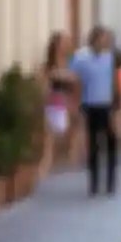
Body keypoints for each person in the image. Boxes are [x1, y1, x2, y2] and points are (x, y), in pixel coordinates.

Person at [68, 26, 119, 196]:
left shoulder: (109, 57)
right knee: (93, 144)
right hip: (90, 104)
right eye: (101, 39)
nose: (104, 42)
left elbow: (114, 81)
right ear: (94, 40)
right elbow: (74, 80)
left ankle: (111, 183)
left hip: (107, 105)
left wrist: (117, 105)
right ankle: (94, 183)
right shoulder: (81, 58)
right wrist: (75, 104)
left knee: (111, 143)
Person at [39, 31, 75, 174]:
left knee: (68, 138)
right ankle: (45, 166)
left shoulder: (72, 63)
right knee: (50, 139)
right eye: (61, 44)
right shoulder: (49, 66)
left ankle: (67, 164)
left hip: (69, 104)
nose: (64, 47)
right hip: (54, 104)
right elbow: (44, 84)